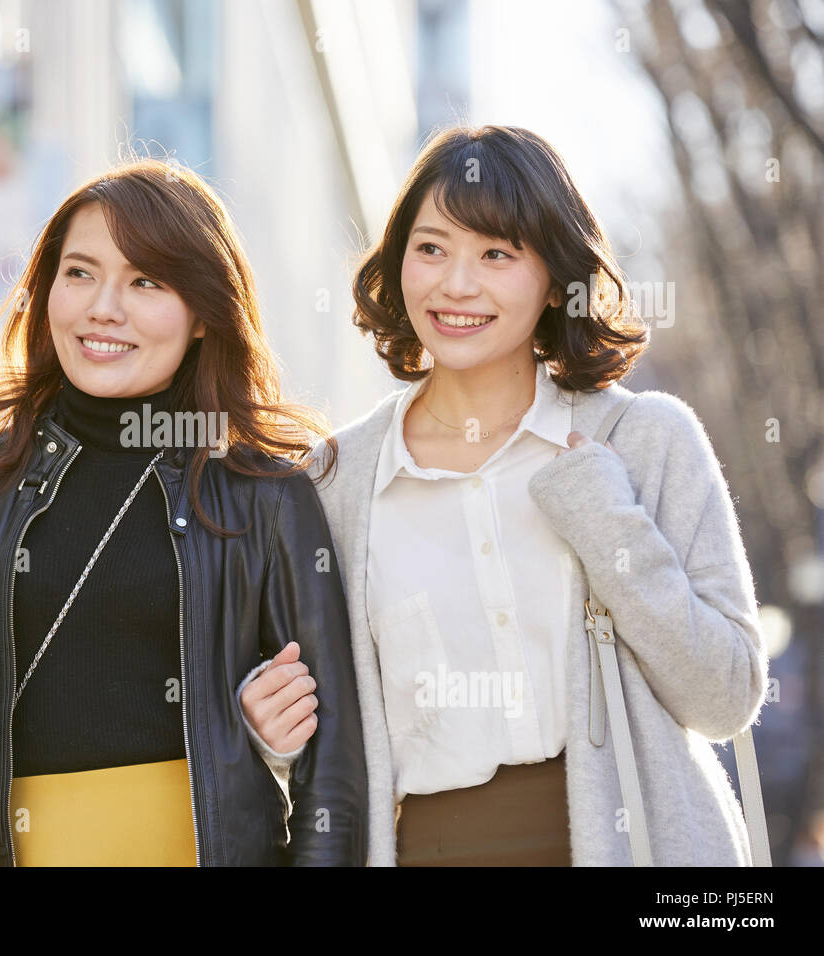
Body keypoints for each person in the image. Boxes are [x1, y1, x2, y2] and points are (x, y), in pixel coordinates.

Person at [242, 124, 768, 865]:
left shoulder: (645, 440)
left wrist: (604, 516)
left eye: (496, 253)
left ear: (555, 277)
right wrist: (267, 734)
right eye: (431, 249)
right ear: (398, 267)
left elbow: (725, 698)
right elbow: (320, 747)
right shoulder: (334, 483)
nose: (457, 285)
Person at [0, 158, 367, 866]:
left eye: (146, 281)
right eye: (80, 273)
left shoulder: (266, 496)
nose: (102, 308)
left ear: (204, 315)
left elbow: (331, 768)